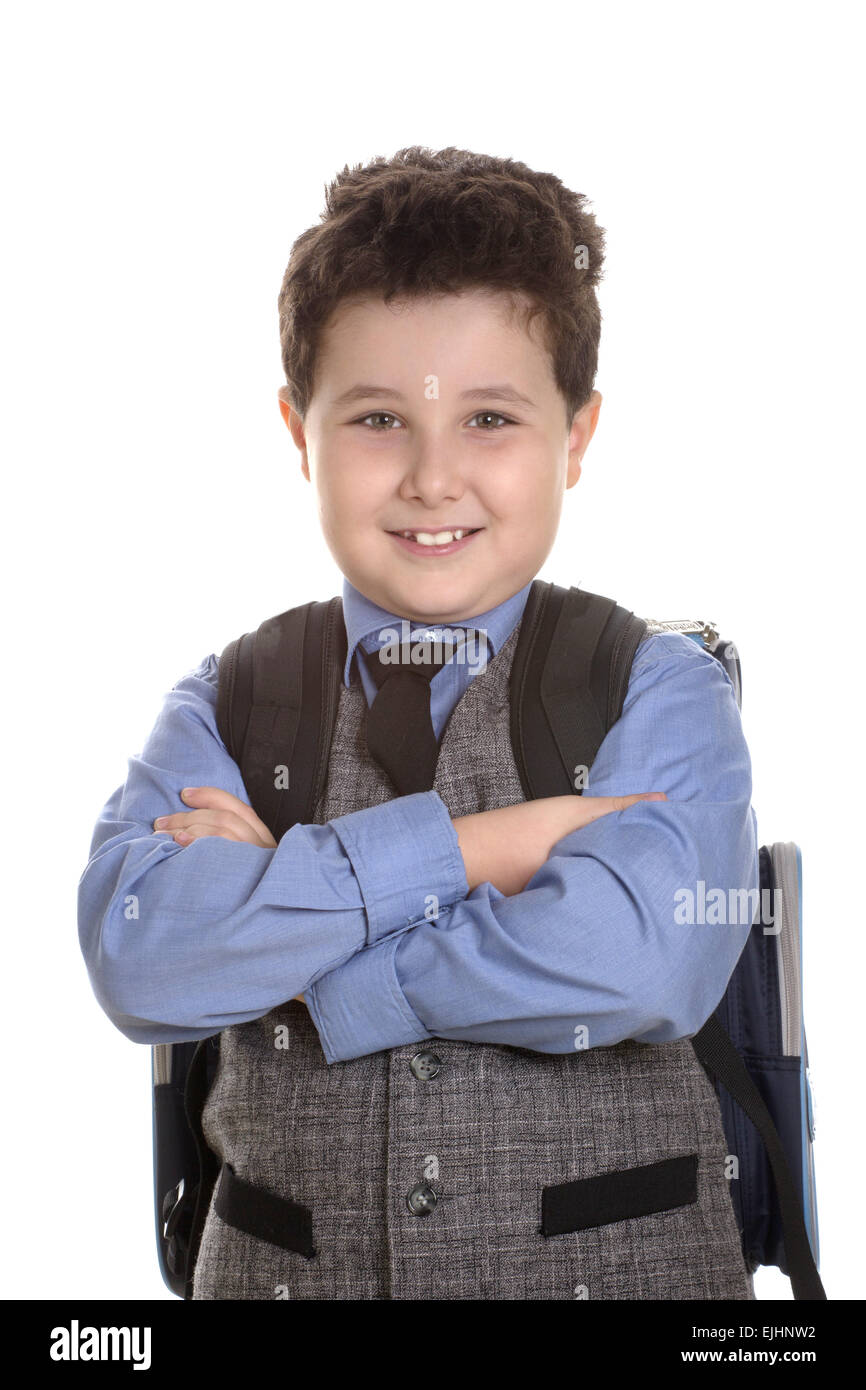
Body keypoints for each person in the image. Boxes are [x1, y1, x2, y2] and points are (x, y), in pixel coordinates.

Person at [78, 145, 758, 1300]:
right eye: (378, 419)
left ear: (575, 438)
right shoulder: (230, 700)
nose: (433, 477)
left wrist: (297, 954)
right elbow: (142, 955)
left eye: (489, 417)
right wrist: (477, 850)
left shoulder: (653, 685)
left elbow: (634, 961)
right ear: (299, 432)